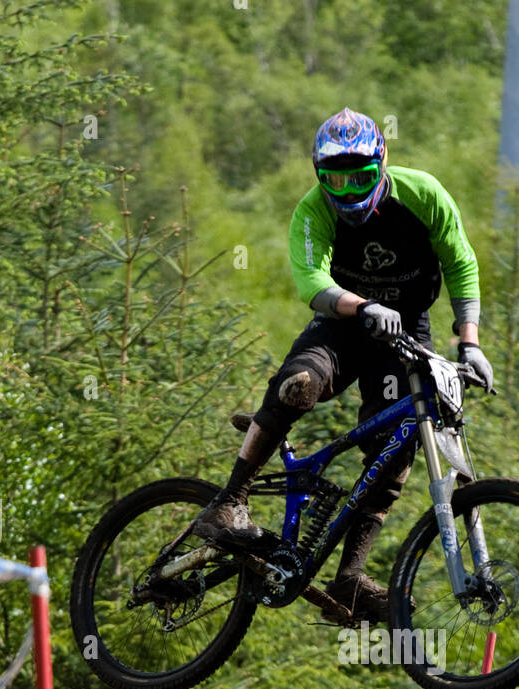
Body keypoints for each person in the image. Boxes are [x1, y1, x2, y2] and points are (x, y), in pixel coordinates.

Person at [192, 107, 493, 621]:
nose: (348, 189)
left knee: (395, 450)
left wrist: (470, 343)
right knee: (298, 384)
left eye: (360, 176)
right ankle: (229, 500)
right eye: (334, 177)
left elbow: (461, 262)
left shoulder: (423, 195)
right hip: (343, 323)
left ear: (383, 165)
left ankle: (349, 576)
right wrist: (363, 306)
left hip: (406, 331)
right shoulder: (314, 210)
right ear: (318, 175)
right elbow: (309, 280)